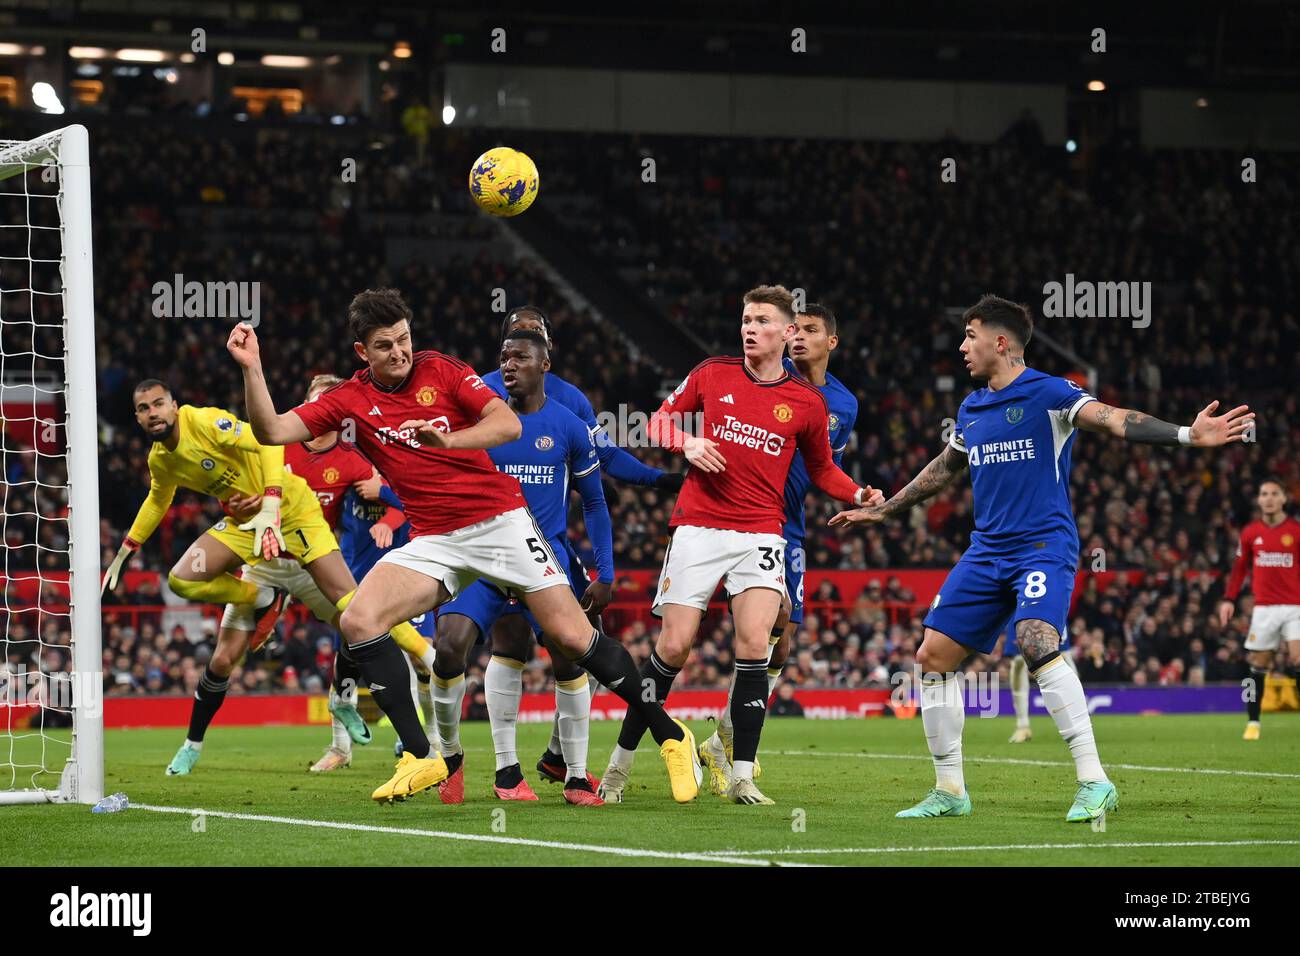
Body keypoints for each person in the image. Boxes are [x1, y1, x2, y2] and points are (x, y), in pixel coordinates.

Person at [225, 288, 701, 805]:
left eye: (404, 339)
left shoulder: (444, 370)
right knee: (359, 621)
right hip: (435, 538)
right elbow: (271, 430)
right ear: (362, 352)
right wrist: (252, 367)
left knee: (574, 638)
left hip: (499, 523)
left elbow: (507, 422)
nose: (400, 352)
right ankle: (421, 755)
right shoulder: (348, 401)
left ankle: (673, 737)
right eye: (385, 345)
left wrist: (447, 440)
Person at [831, 293, 1252, 822]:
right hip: (987, 550)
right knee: (931, 656)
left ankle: (1095, 782)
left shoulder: (1049, 392)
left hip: (1042, 545)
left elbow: (1115, 418)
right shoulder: (972, 406)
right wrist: (885, 511)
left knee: (1034, 638)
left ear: (1000, 342)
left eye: (970, 335)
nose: (962, 346)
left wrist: (1187, 434)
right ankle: (950, 791)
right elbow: (944, 468)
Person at [598, 284, 880, 805]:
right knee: (674, 646)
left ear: (786, 332)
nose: (750, 328)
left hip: (762, 533)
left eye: (762, 321)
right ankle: (618, 767)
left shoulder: (807, 403)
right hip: (700, 526)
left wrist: (860, 492)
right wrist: (688, 441)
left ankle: (743, 773)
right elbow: (659, 420)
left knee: (755, 646)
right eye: (746, 319)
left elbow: (822, 468)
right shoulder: (712, 373)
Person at [99, 379, 376, 776]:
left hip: (302, 553)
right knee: (223, 658)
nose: (153, 412)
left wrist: (271, 499)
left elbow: (268, 442)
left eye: (159, 403)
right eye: (144, 408)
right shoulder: (169, 458)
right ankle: (192, 744)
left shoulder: (344, 457)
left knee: (361, 627)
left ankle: (404, 737)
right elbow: (162, 496)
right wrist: (128, 547)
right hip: (256, 553)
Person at [429, 330, 612, 806]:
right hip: (481, 553)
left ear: (544, 364)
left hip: (541, 558)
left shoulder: (569, 425)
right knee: (449, 648)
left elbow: (594, 502)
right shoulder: (476, 419)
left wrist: (605, 572)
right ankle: (457, 760)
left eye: (520, 357)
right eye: (504, 357)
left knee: (570, 655)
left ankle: (573, 775)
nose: (509, 365)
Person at [699, 302, 858, 793]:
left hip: (792, 525)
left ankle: (722, 735)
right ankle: (722, 744)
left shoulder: (843, 405)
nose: (800, 338)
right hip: (741, 517)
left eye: (813, 330)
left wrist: (858, 494)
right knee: (765, 620)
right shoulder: (767, 375)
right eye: (797, 330)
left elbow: (822, 466)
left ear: (832, 342)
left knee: (784, 635)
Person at [1218, 477, 1300, 740]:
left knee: (1298, 658)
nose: (1269, 498)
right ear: (1259, 499)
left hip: (1295, 606)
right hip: (1264, 608)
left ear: (1284, 499)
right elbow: (1239, 569)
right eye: (1264, 493)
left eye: (1275, 493)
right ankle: (1253, 721)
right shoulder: (1251, 532)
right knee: (1258, 664)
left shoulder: (1296, 532)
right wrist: (1229, 599)